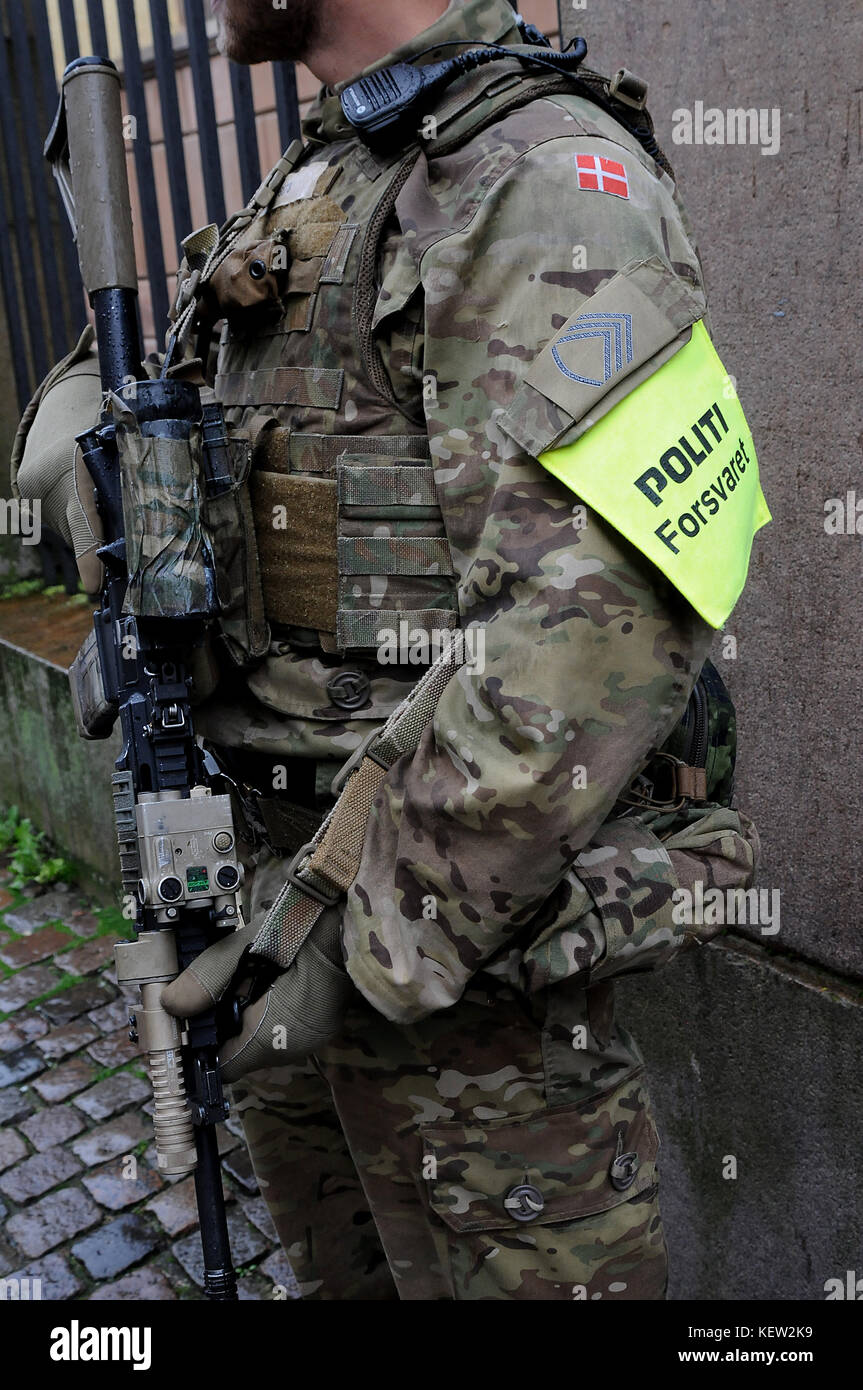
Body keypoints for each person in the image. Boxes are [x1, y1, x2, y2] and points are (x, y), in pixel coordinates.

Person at [14, 0, 768, 1300]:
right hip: (278, 941)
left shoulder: (543, 180)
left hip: (455, 993)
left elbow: (590, 639)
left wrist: (334, 935)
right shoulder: (317, 176)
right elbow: (136, 395)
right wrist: (97, 450)